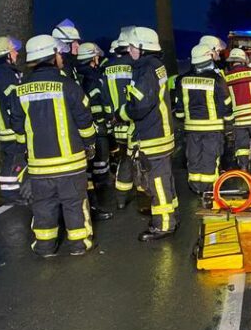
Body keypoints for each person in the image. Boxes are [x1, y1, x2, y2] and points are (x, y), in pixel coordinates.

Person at [9, 35, 96, 257]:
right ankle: (79, 244)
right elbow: (85, 120)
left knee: (43, 206)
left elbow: (17, 126)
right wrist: (89, 144)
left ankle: (45, 245)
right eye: (58, 53)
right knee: (74, 203)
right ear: (52, 56)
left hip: (39, 166)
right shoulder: (68, 85)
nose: (61, 57)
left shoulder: (20, 90)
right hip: (70, 162)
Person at [119, 26, 178, 241]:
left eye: (133, 47)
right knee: (166, 179)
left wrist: (123, 112)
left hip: (152, 135)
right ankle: (171, 216)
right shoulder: (156, 66)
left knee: (157, 182)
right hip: (161, 131)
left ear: (143, 48)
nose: (130, 51)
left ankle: (163, 225)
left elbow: (140, 106)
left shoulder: (145, 71)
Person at [174, 43, 233, 193]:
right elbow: (226, 102)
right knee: (210, 156)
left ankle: (195, 186)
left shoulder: (182, 79)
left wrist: (182, 117)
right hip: (213, 128)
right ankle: (208, 189)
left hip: (192, 127)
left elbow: (179, 107)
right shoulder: (217, 79)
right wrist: (228, 119)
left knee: (193, 156)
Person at [73, 42, 114, 220]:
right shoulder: (92, 77)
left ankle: (91, 207)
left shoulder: (77, 74)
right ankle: (94, 208)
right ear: (93, 58)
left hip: (84, 131)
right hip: (96, 132)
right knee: (97, 170)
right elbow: (97, 105)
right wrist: (104, 123)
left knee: (89, 172)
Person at [0, 36, 27, 204]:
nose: (16, 53)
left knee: (15, 155)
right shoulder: (3, 73)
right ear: (6, 54)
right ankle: (10, 193)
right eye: (13, 50)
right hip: (10, 126)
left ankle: (13, 189)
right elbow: (12, 99)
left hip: (7, 124)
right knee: (15, 155)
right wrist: (20, 121)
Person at [103, 30, 137, 209]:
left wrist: (111, 118)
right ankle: (144, 198)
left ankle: (121, 199)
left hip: (117, 125)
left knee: (124, 159)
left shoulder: (107, 69)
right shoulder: (136, 66)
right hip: (133, 123)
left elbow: (105, 97)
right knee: (139, 160)